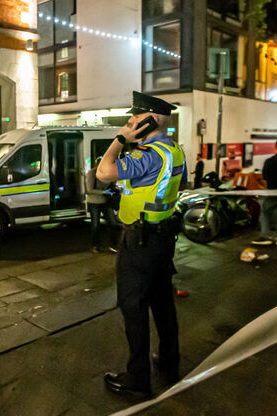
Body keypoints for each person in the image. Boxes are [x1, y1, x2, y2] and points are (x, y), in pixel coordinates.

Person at [96, 91, 186, 397]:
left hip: (140, 242)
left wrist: (120, 139)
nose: (130, 121)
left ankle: (137, 379)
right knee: (162, 302)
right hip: (163, 239)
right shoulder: (173, 151)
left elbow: (103, 172)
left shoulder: (145, 155)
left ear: (152, 120)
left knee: (133, 307)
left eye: (135, 117)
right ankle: (169, 362)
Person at [85, 157, 115, 253]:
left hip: (106, 201)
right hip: (94, 202)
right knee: (95, 225)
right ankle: (95, 245)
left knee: (112, 223)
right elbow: (89, 190)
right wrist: (104, 191)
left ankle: (112, 245)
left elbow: (112, 185)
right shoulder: (92, 173)